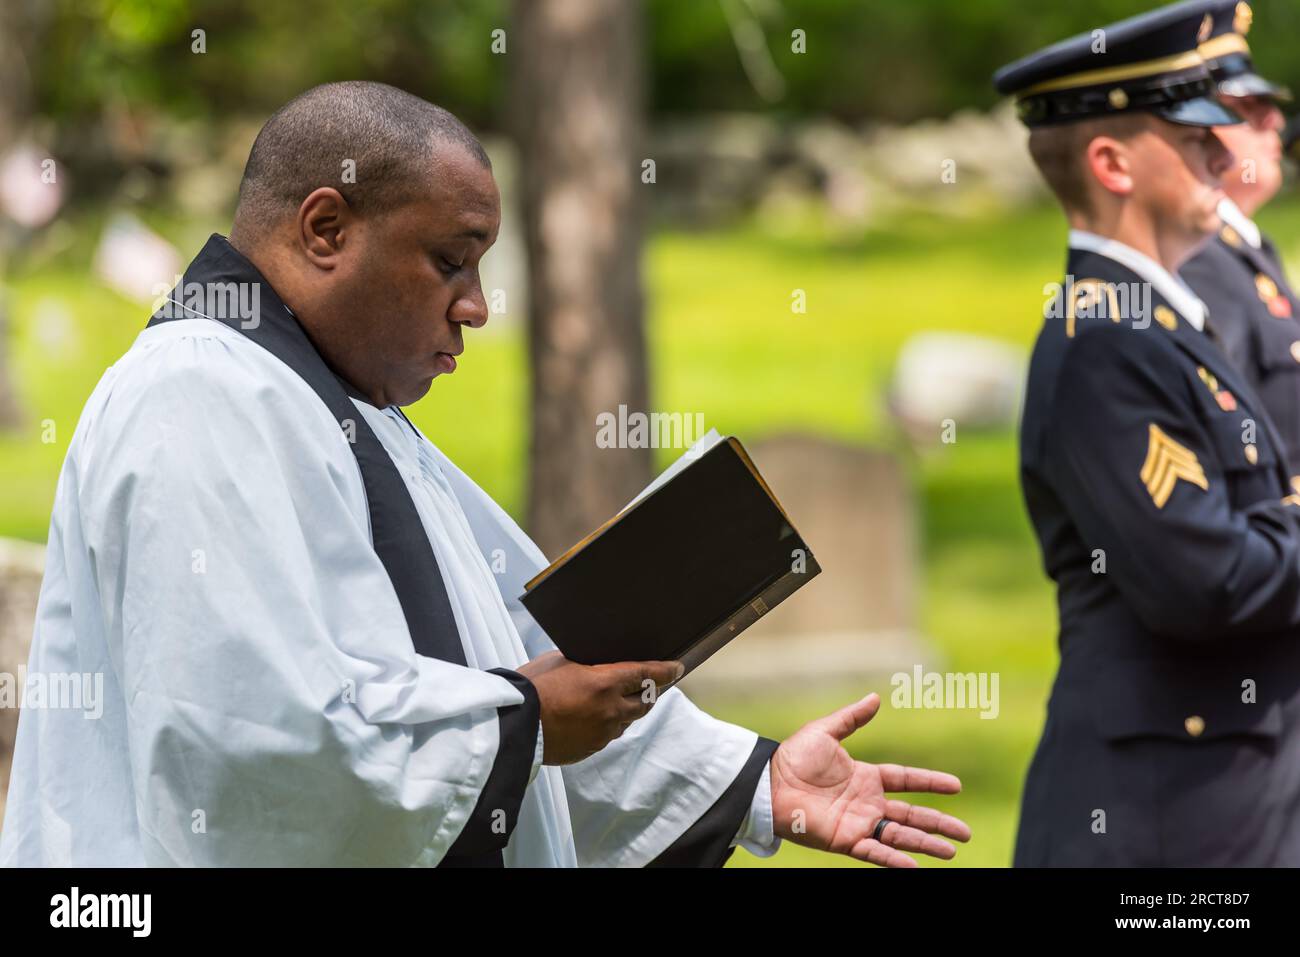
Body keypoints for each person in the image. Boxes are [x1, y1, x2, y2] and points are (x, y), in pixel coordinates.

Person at [0, 82, 970, 867]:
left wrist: (755, 784)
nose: (476, 309)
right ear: (325, 227)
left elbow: (510, 656)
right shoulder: (196, 397)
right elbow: (250, 743)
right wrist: (522, 724)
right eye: (449, 261)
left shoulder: (349, 414)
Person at [994, 0, 1300, 866]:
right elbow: (1207, 581)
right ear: (1110, 163)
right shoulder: (1106, 347)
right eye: (1196, 135)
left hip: (1219, 800)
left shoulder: (1161, 324)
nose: (1223, 152)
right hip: (1161, 825)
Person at [1180, 1, 1300, 479]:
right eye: (1249, 110)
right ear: (1197, 127)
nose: (1275, 122)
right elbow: (1221, 432)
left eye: (1269, 106)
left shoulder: (1248, 246)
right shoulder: (1201, 258)